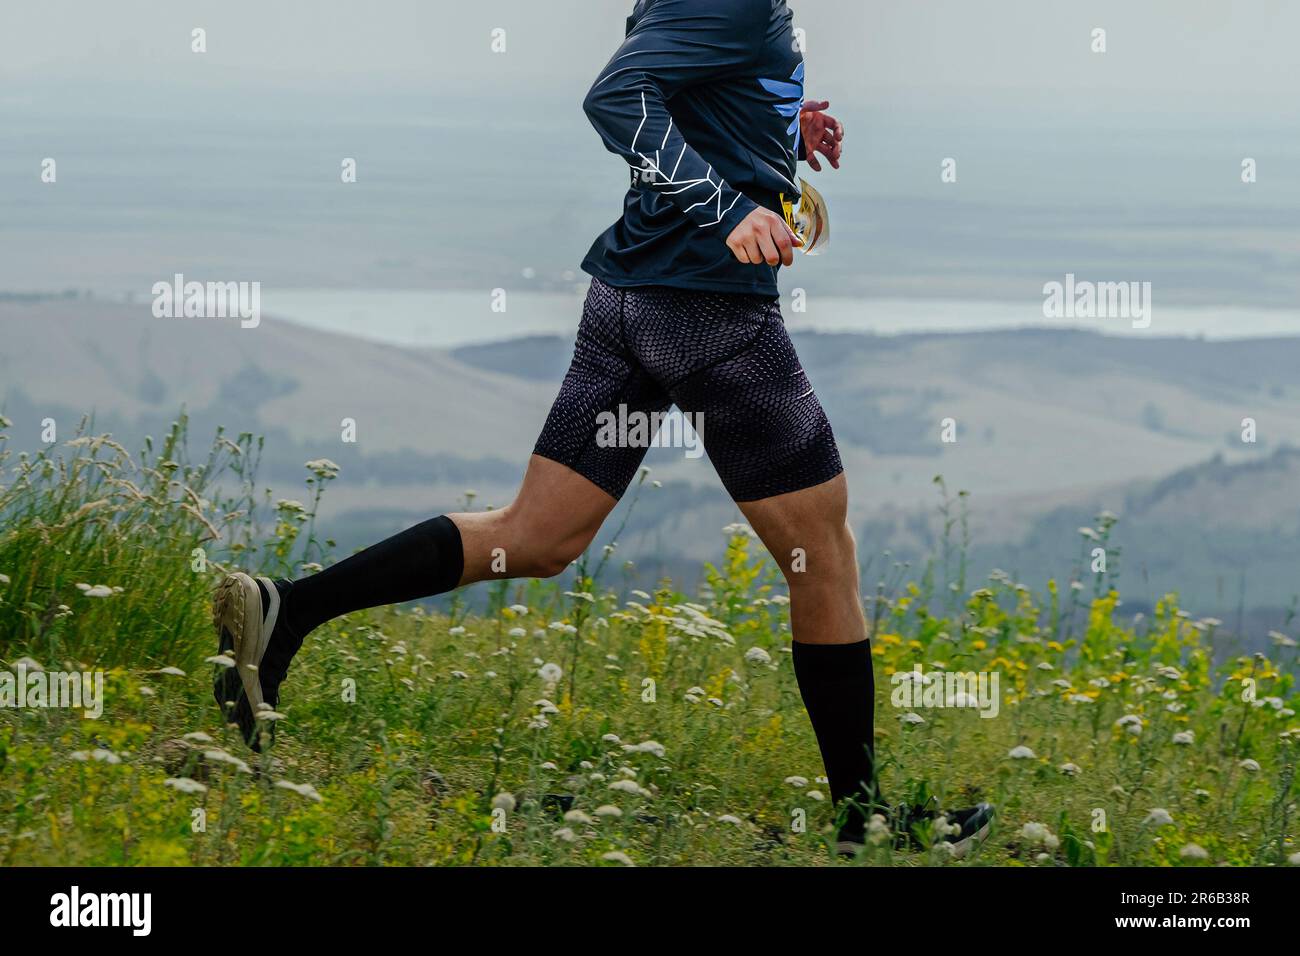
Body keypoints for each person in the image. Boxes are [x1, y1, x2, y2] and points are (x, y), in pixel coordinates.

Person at [212, 0, 992, 858]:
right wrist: (727, 207)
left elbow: (669, 81)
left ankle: (288, 610)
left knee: (535, 537)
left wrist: (771, 125)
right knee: (824, 552)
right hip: (709, 315)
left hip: (628, 302)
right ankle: (862, 821)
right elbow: (616, 95)